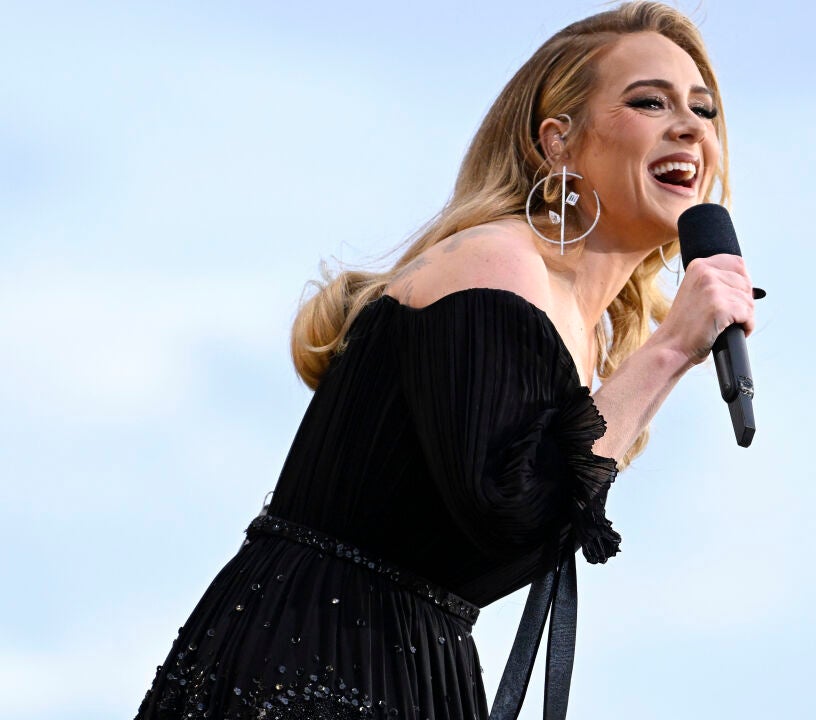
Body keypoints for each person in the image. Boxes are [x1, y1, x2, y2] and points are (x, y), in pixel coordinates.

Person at [135, 2, 756, 718]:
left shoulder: (569, 323)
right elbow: (508, 509)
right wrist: (671, 349)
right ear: (558, 141)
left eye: (704, 111)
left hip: (403, 662)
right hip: (315, 659)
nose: (689, 126)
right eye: (650, 101)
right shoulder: (501, 264)